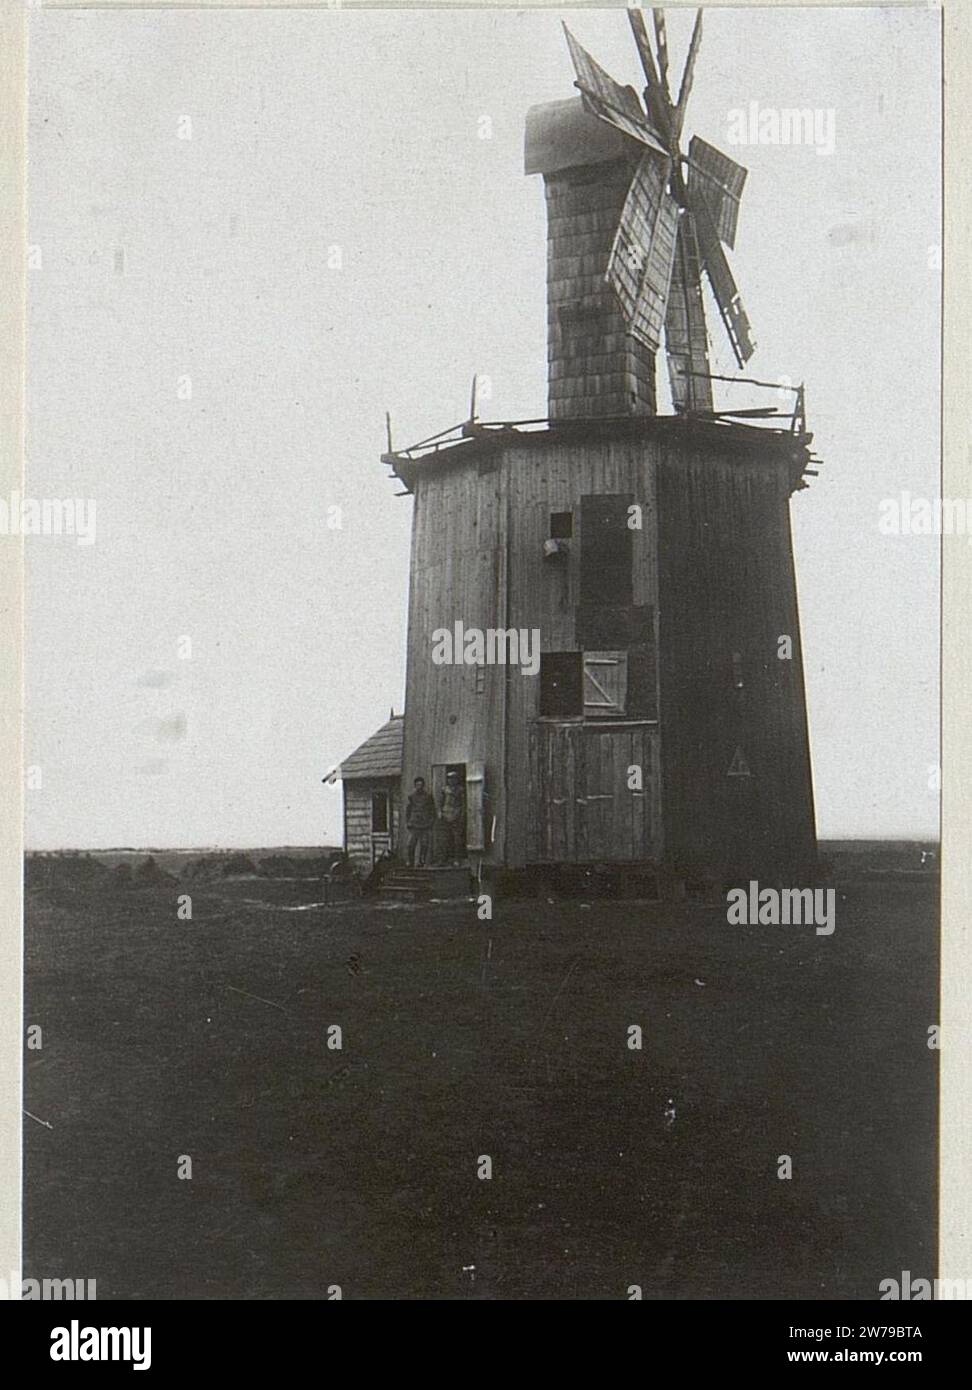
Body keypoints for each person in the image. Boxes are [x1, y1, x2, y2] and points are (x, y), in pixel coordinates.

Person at [404, 776, 436, 867]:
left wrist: (431, 822)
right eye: (417, 784)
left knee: (424, 844)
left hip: (425, 825)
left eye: (421, 784)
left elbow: (432, 810)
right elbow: (408, 810)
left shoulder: (428, 796)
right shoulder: (411, 796)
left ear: (423, 785)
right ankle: (410, 862)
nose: (419, 786)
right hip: (414, 824)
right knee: (410, 844)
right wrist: (408, 822)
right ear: (415, 785)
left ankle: (421, 862)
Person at [438, 770, 466, 865]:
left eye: (453, 778)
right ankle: (443, 859)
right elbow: (441, 802)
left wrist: (461, 814)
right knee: (444, 839)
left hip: (456, 814)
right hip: (446, 815)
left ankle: (457, 859)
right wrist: (440, 813)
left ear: (456, 779)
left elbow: (463, 803)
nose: (451, 780)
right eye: (449, 778)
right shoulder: (444, 789)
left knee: (457, 839)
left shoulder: (460, 789)